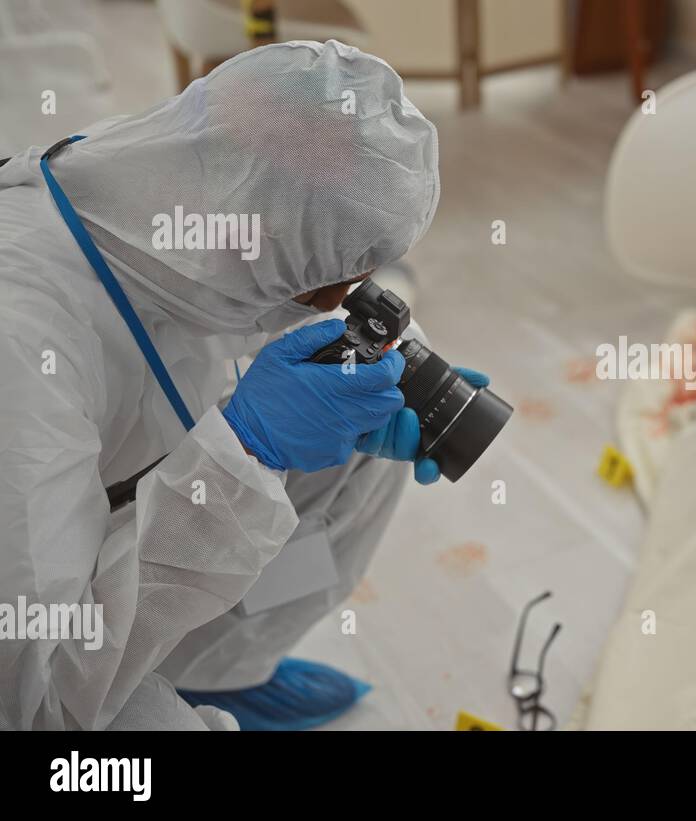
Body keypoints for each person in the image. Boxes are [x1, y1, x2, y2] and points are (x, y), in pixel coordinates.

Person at [0, 40, 474, 729]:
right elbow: (35, 704)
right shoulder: (22, 338)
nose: (339, 295)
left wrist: (269, 428)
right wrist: (248, 447)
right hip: (34, 660)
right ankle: (175, 690)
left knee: (373, 393)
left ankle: (225, 669)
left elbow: (215, 315)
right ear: (256, 229)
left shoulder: (172, 185)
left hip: (96, 492)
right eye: (333, 268)